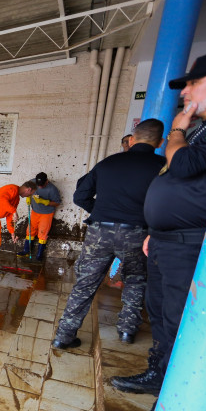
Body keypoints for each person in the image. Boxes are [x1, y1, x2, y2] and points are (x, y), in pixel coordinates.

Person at [111, 51, 206, 411]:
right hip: (162, 240)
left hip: (191, 242)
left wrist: (176, 130)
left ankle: (171, 405)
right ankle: (157, 374)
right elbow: (171, 176)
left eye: (193, 82)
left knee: (179, 321)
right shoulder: (199, 130)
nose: (187, 90)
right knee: (158, 312)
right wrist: (151, 231)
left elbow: (186, 167)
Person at [51, 118, 166, 350]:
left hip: (99, 232)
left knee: (84, 284)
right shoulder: (163, 166)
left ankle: (63, 336)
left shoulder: (107, 163)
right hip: (137, 234)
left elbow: (80, 196)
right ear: (160, 142)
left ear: (132, 140)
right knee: (135, 281)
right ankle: (126, 331)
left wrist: (103, 213)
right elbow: (168, 204)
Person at [18, 172, 61, 261]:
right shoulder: (32, 182)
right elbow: (26, 190)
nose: (40, 187)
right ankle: (26, 250)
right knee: (30, 230)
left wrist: (45, 202)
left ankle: (39, 254)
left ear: (47, 181)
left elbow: (57, 203)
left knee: (42, 233)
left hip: (47, 213)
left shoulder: (52, 189)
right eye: (38, 185)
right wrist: (28, 197)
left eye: (42, 185)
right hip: (35, 211)